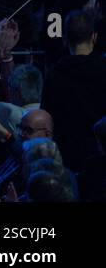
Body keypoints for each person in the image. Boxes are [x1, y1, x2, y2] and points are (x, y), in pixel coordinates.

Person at [42, 10, 106, 173]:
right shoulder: (103, 70)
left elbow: (46, 114)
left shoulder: (55, 74)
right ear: (94, 37)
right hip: (100, 150)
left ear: (65, 39)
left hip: (66, 153)